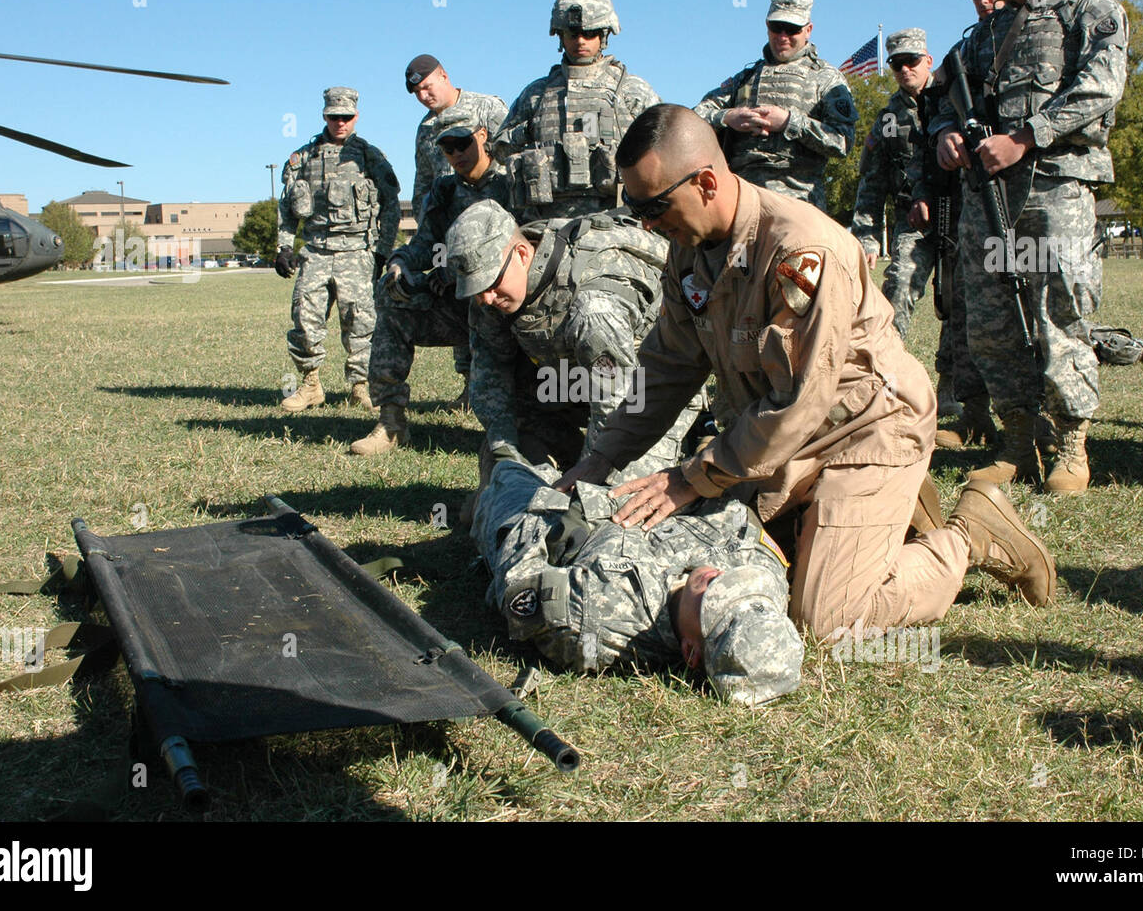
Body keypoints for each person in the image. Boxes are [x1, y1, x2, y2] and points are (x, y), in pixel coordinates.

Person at [554, 104, 1056, 640]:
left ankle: (971, 534)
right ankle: (897, 514)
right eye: (635, 209)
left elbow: (800, 401)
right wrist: (601, 459)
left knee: (826, 619)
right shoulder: (691, 250)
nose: (647, 224)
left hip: (867, 428)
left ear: (704, 182)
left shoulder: (800, 250)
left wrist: (691, 477)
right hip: (787, 442)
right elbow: (667, 367)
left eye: (654, 206)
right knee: (732, 546)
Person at [931, 0, 1127, 495]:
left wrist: (1025, 137)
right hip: (986, 197)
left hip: (1054, 188)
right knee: (992, 321)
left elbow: (1101, 87)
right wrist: (946, 133)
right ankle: (1017, 440)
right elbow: (944, 96)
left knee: (1059, 311)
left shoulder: (1088, 9)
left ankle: (1070, 444)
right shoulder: (980, 35)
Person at [471, 458, 804, 706]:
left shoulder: (598, 619)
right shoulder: (764, 578)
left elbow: (516, 578)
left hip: (544, 515)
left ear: (691, 653)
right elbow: (733, 514)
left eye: (714, 599)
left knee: (508, 471)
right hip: (636, 486)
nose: (719, 576)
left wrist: (559, 530)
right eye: (739, 584)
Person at [445, 198, 699, 489]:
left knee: (616, 503)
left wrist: (589, 485)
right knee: (510, 451)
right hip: (578, 381)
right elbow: (489, 375)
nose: (485, 299)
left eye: (491, 283)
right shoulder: (492, 296)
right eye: (476, 289)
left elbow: (616, 408)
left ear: (522, 254)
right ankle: (562, 462)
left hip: (647, 394)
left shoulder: (593, 307)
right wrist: (505, 451)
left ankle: (692, 442)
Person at [350, 109, 511, 455]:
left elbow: (524, 247)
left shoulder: (511, 185)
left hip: (498, 304)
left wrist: (452, 270)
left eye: (462, 143)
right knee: (392, 298)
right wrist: (399, 263)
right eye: (447, 149)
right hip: (454, 304)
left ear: (483, 136)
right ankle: (391, 423)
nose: (456, 154)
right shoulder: (444, 190)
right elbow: (424, 244)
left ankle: (511, 431)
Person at [910, 0, 1006, 448]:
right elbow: (938, 111)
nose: (985, 2)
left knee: (1036, 305)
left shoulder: (1048, 29)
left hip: (1031, 189)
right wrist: (944, 130)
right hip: (972, 197)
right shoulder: (965, 52)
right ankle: (974, 413)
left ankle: (1051, 428)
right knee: (970, 307)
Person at [276, 86, 401, 412]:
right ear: (324, 116)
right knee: (305, 318)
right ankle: (311, 384)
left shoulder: (370, 157)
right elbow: (287, 208)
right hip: (315, 251)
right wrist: (284, 247)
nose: (340, 123)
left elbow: (391, 205)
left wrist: (382, 250)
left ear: (356, 116)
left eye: (346, 117)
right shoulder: (304, 158)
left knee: (361, 323)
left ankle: (361, 386)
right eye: (334, 117)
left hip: (356, 251)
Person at [491, 0, 659, 222]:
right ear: (560, 36)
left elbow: (664, 146)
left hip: (617, 222)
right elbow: (499, 148)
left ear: (604, 36)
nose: (580, 41)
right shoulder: (537, 94)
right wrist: (527, 131)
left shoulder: (630, 90)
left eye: (589, 34)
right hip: (545, 223)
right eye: (572, 34)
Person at [693, 0, 857, 210]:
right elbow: (693, 117)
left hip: (799, 202)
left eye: (791, 30)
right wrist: (728, 117)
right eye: (776, 27)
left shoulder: (826, 79)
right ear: (766, 26)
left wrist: (790, 122)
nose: (782, 37)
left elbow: (843, 141)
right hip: (742, 199)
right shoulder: (745, 78)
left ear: (808, 30)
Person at [851, 28, 938, 340]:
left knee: (966, 301)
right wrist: (867, 237)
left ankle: (960, 386)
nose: (904, 69)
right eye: (896, 64)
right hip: (913, 223)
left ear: (928, 60)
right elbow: (871, 184)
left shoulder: (954, 99)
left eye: (911, 60)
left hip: (962, 218)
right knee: (898, 287)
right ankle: (887, 371)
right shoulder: (888, 118)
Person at [404, 54, 507, 220]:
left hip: (493, 216)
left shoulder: (486, 108)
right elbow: (423, 185)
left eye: (427, 87)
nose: (423, 96)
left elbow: (512, 161)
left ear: (444, 77)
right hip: (450, 223)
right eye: (417, 92)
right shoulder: (425, 128)